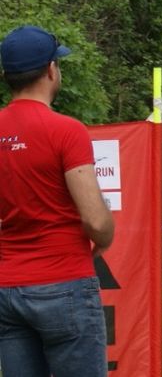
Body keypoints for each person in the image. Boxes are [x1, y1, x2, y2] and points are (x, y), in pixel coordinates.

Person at [0, 25, 115, 376]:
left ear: (7, 76)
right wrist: (104, 236)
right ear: (51, 70)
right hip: (64, 281)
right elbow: (95, 219)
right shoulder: (66, 130)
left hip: (6, 286)